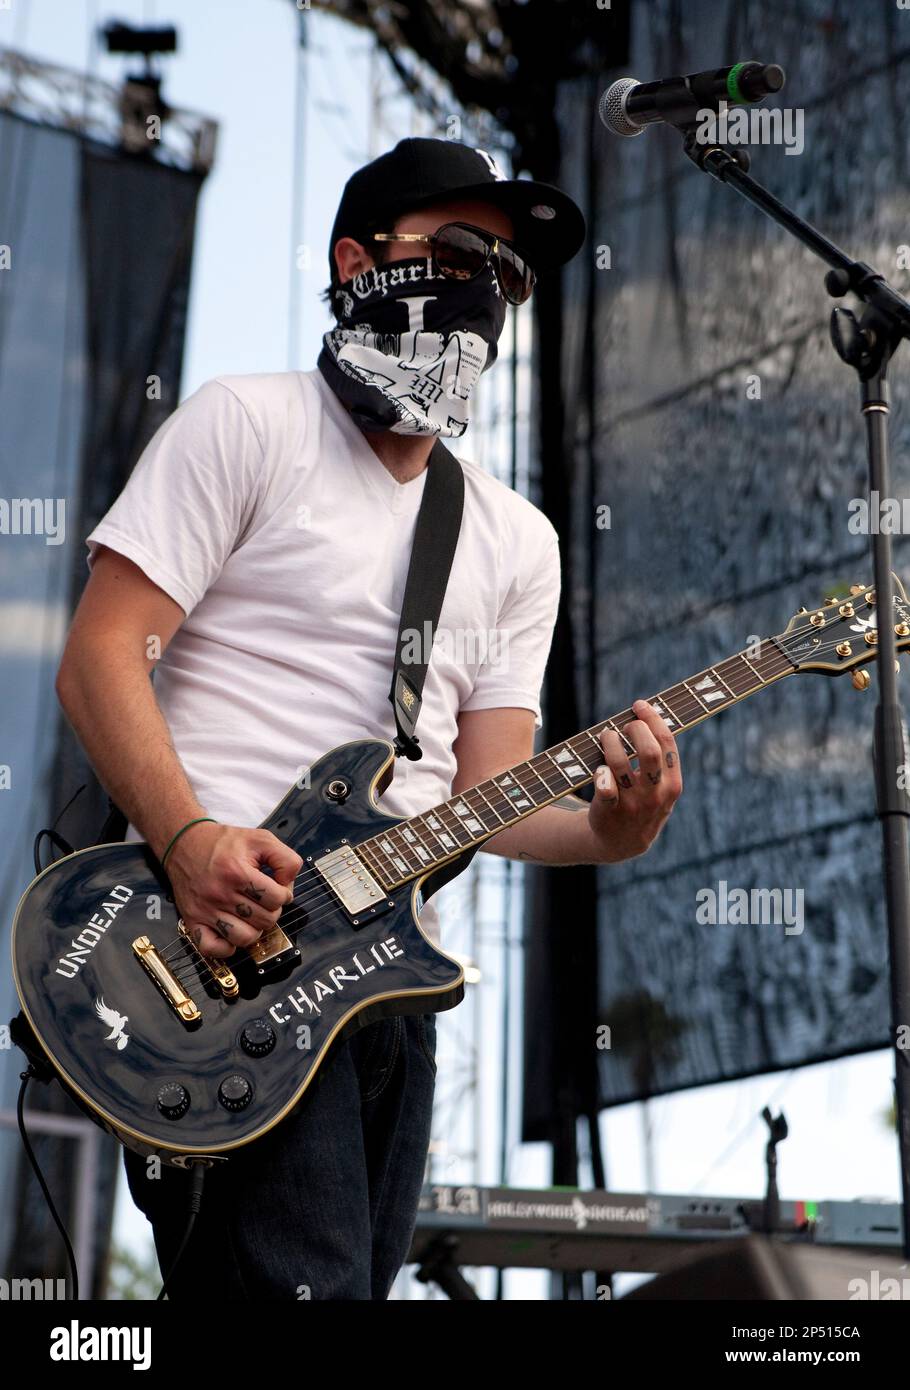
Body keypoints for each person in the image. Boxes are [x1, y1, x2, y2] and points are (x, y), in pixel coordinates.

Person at [55, 137, 683, 1300]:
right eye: (453, 252)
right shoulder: (247, 422)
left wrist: (610, 832)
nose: (481, 289)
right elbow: (100, 658)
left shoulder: (515, 538)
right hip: (203, 943)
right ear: (354, 261)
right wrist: (191, 845)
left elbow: (485, 797)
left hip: (375, 976)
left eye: (506, 274)